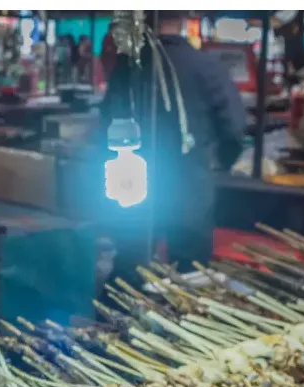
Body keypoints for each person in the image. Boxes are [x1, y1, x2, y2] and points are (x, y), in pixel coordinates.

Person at [101, 11, 245, 274]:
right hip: (191, 192)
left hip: (132, 190)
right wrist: (220, 164)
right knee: (189, 280)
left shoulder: (129, 68)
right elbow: (234, 131)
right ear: (184, 19)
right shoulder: (206, 67)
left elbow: (106, 124)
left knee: (130, 274)